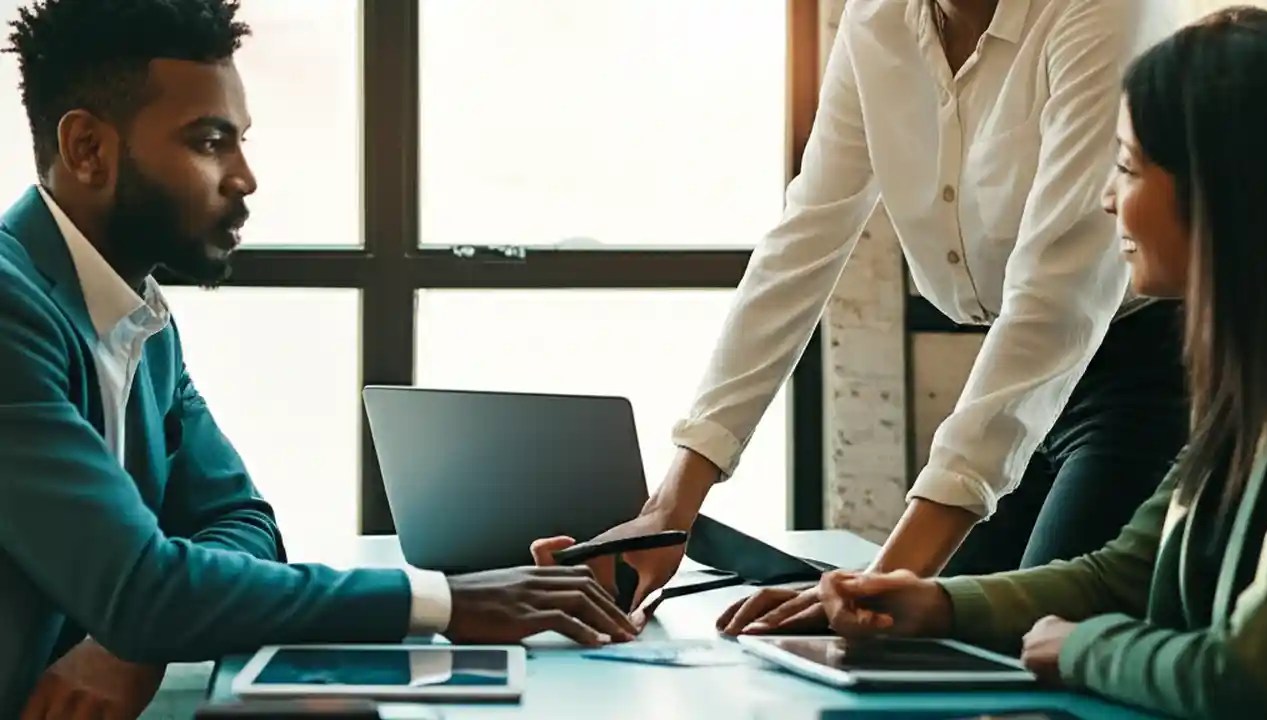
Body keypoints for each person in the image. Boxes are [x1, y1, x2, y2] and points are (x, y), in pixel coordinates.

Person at [0, 1, 636, 718]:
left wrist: (132, 635)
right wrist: (446, 601)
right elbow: (143, 589)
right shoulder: (10, 306)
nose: (245, 177)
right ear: (88, 149)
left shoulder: (136, 313)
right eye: (210, 142)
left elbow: (243, 523)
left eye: (240, 141)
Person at [538, 0, 1190, 631]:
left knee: (1029, 645)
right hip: (1013, 377)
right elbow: (806, 238)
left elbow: (1058, 296)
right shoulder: (877, 19)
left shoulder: (1105, 11)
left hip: (1149, 366)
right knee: (945, 646)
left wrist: (871, 593)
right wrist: (669, 509)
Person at [811, 7, 1267, 718]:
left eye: (1126, 166)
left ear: (1219, 187)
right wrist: (932, 601)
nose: (1105, 196)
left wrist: (1085, 647)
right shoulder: (1244, 404)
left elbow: (1243, 673)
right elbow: (1122, 573)